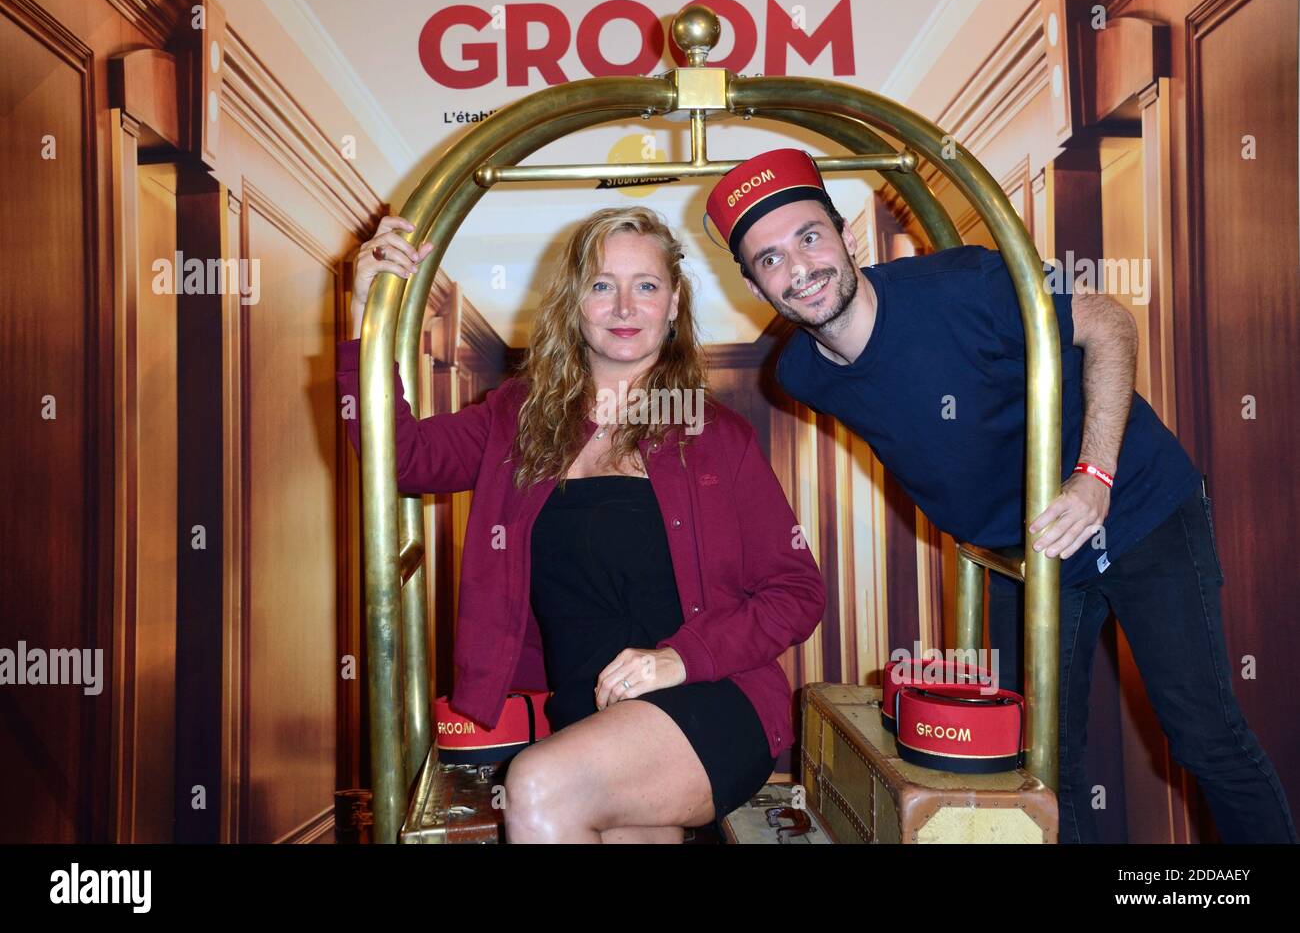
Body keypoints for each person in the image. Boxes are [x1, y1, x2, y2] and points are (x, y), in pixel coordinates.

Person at [705, 147, 1297, 844]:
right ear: (752, 283)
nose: (798, 267)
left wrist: (1094, 478)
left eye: (809, 236)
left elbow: (1109, 321)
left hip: (1134, 506)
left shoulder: (965, 286)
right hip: (1022, 549)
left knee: (1204, 735)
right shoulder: (801, 373)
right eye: (769, 258)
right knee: (1039, 766)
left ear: (845, 235)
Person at [337, 206, 825, 843]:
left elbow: (797, 593)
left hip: (711, 702)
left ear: (673, 303)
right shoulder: (515, 416)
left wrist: (680, 659)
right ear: (575, 303)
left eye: (646, 286)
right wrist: (363, 318)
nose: (624, 306)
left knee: (537, 786)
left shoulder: (717, 436)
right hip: (587, 720)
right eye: (602, 285)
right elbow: (399, 459)